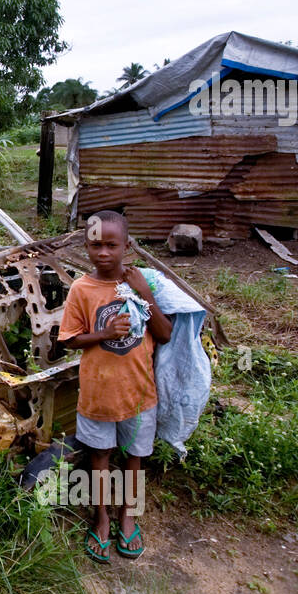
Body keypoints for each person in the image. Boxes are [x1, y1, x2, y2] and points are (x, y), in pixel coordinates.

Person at [59, 210, 171, 563]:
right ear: (86, 246)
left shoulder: (144, 282)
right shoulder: (82, 289)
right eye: (95, 245)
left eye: (111, 245)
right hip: (98, 395)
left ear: (127, 246)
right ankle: (102, 518)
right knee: (100, 459)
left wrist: (143, 294)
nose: (103, 253)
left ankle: (128, 516)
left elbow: (165, 335)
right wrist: (105, 334)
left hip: (139, 394)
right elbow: (69, 340)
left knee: (135, 458)